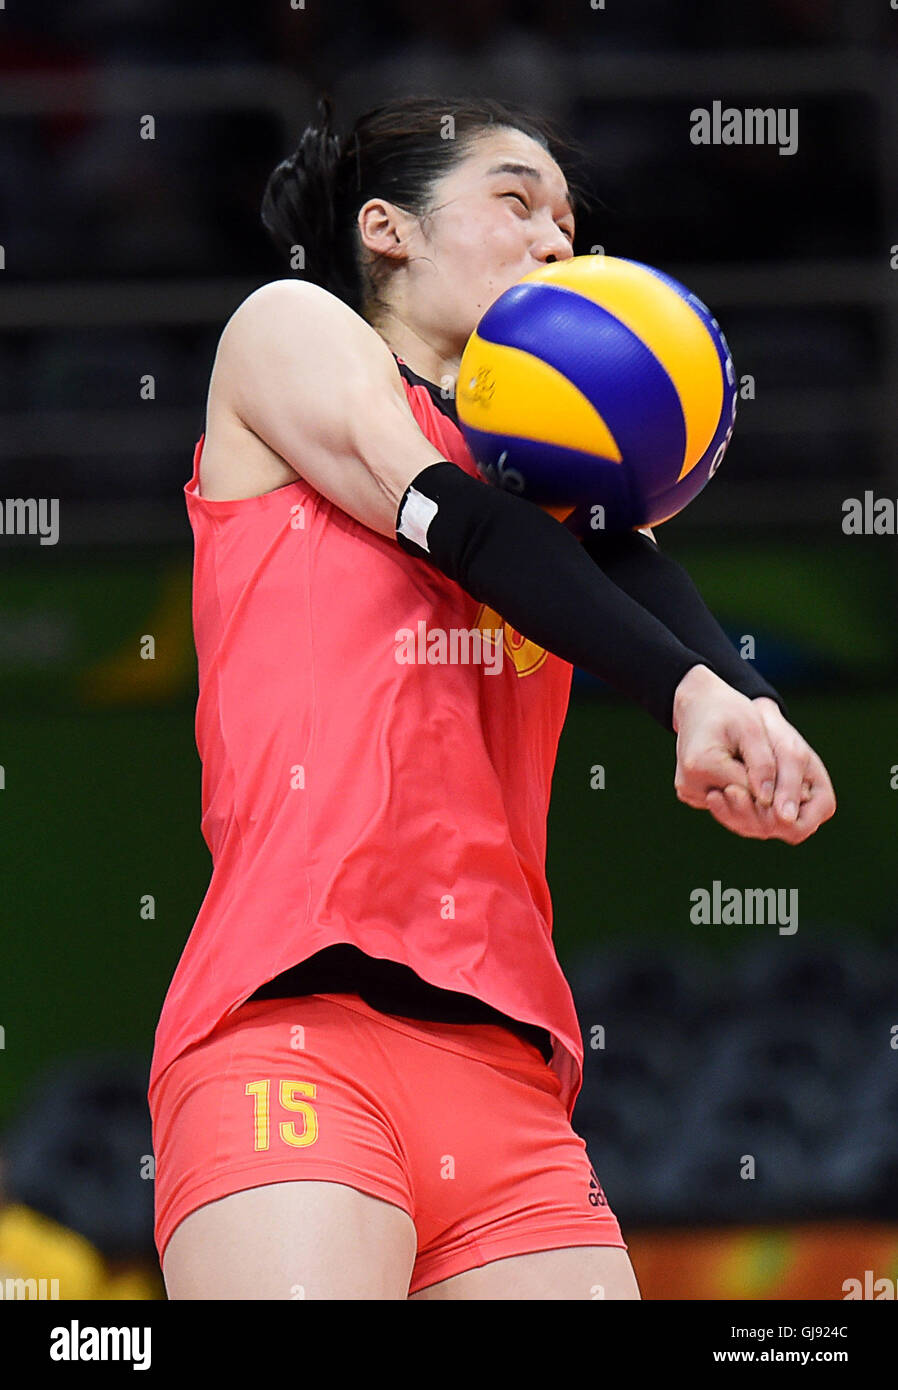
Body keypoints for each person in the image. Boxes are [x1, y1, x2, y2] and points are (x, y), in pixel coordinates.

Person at [149, 93, 836, 1301]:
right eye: (515, 201)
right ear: (388, 230)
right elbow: (462, 521)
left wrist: (742, 703)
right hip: (296, 1028)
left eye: (567, 220)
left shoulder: (547, 483)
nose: (553, 238)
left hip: (509, 1068)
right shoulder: (287, 333)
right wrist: (686, 689)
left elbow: (622, 558)